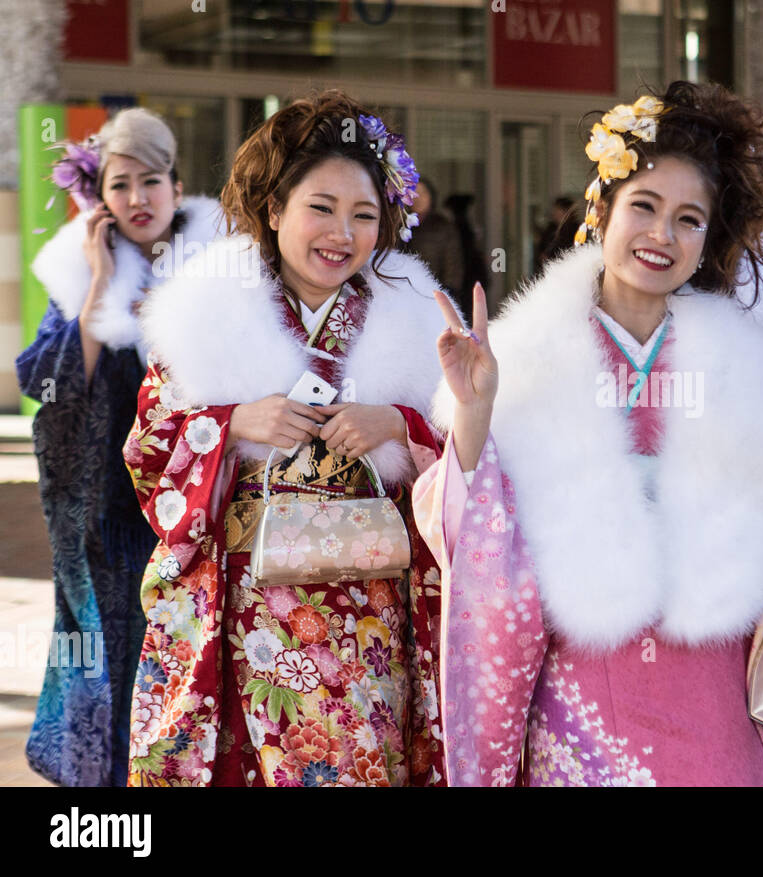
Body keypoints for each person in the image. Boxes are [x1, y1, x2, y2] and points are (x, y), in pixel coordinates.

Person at [413, 81, 763, 786]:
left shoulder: (747, 364)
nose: (663, 235)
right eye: (644, 206)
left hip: (716, 690)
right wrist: (475, 418)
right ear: (601, 209)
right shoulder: (527, 358)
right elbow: (476, 551)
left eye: (689, 219)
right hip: (585, 697)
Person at [122, 91, 452, 786]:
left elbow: (470, 457)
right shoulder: (207, 315)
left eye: (364, 214)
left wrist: (400, 425)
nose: (342, 231)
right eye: (321, 208)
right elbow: (148, 447)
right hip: (244, 607)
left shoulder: (416, 324)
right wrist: (232, 421)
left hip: (361, 620)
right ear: (274, 212)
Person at [17, 108, 224, 786]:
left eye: (152, 181)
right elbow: (45, 380)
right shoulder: (77, 273)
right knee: (108, 655)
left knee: (190, 666)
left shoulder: (221, 267)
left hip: (196, 505)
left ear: (177, 183)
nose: (138, 199)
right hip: (106, 510)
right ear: (99, 198)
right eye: (120, 184)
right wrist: (102, 291)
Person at [405, 178, 465, 309]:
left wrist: (448, 294)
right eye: (414, 193)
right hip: (405, 295)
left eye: (423, 192)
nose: (418, 197)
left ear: (431, 196)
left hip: (435, 295)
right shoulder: (400, 225)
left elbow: (453, 267)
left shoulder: (443, 226)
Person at [532, 195, 580, 274]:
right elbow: (542, 246)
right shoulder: (550, 228)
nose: (554, 213)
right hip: (547, 269)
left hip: (566, 268)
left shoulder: (575, 229)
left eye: (557, 210)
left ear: (565, 211)